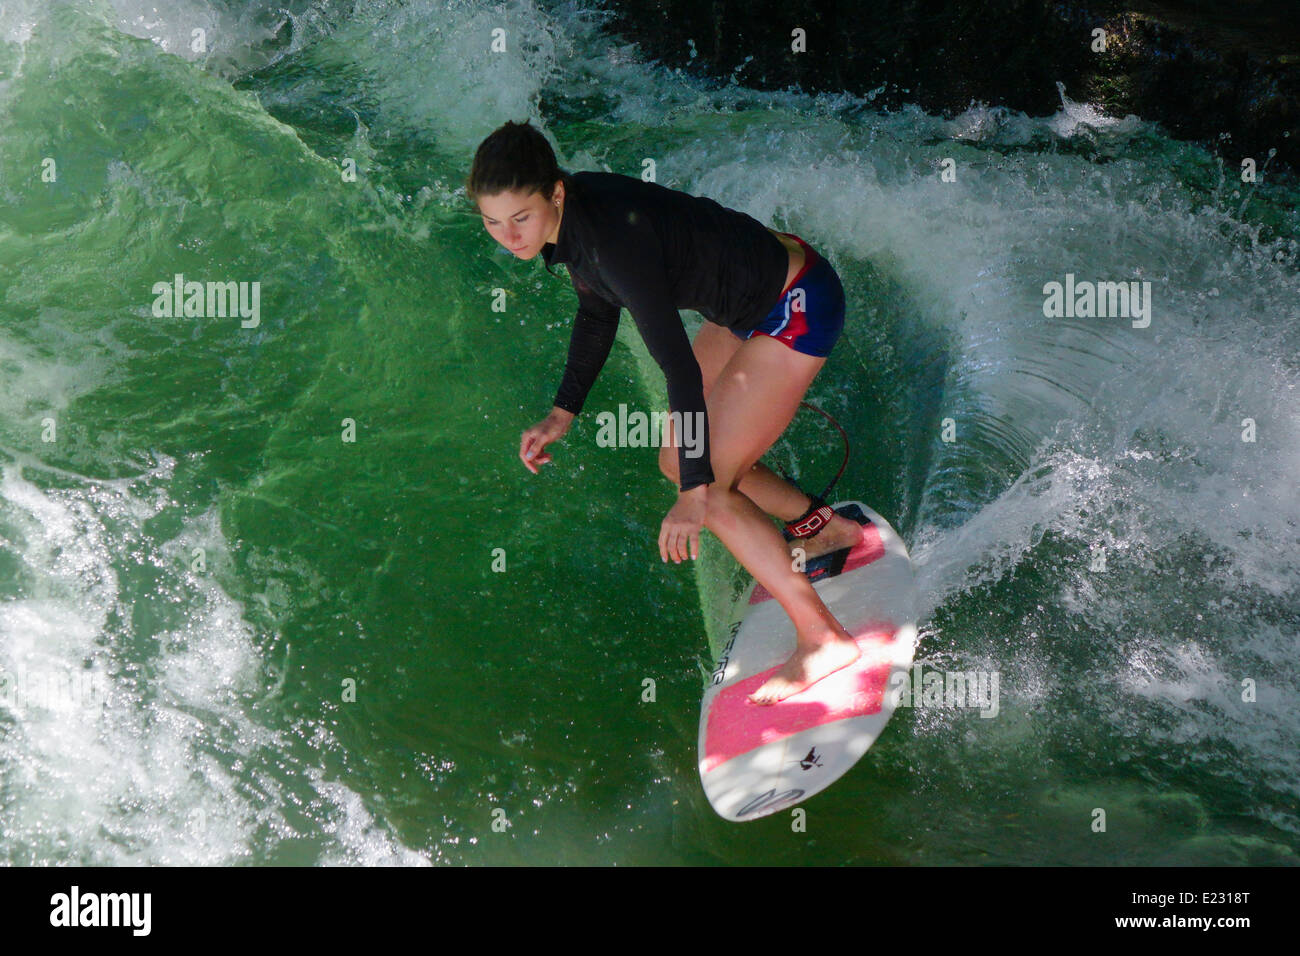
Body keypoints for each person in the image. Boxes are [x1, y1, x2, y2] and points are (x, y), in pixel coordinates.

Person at [467, 119, 863, 704]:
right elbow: (597, 310)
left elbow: (676, 367)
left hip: (792, 304)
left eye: (519, 218)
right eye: (492, 221)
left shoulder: (609, 243)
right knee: (684, 461)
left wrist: (695, 494)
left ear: (553, 193)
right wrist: (563, 412)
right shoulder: (577, 217)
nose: (508, 236)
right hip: (753, 289)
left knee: (700, 481)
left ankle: (824, 638)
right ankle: (822, 528)